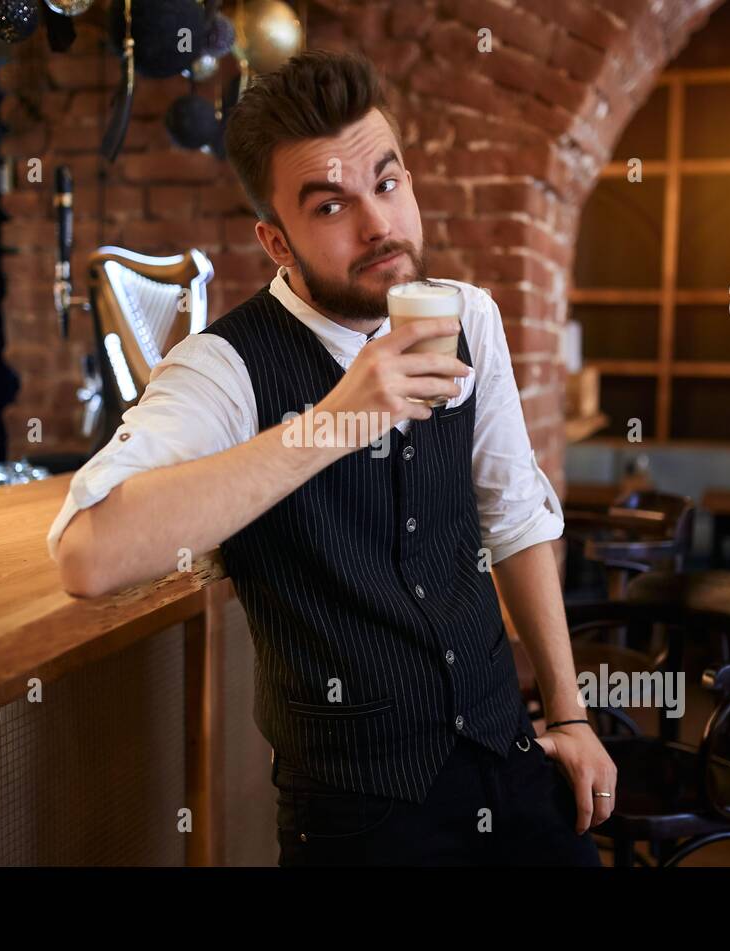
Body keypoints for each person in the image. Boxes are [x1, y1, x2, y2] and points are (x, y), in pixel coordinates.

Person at [48, 49, 615, 866]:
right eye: (331, 206)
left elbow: (515, 517)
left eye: (387, 183)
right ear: (277, 242)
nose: (378, 224)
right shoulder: (224, 367)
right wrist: (336, 421)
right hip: (359, 815)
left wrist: (569, 714)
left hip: (509, 754)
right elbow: (88, 555)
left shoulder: (471, 319)